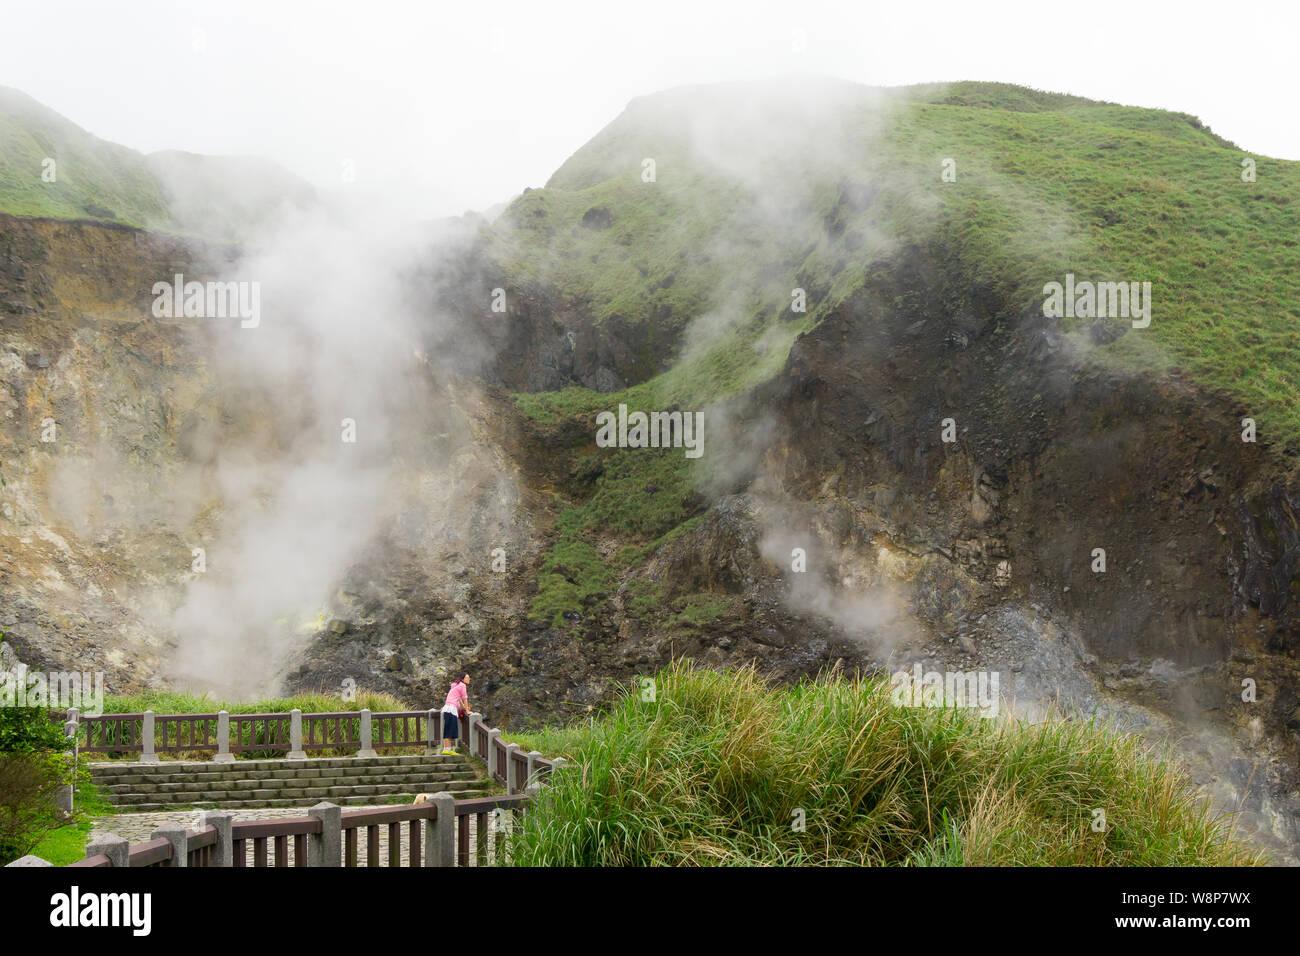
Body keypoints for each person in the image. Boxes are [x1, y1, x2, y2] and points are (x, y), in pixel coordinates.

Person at [440, 673, 470, 755]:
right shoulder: (462, 686)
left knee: (447, 729)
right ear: (463, 679)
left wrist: (463, 707)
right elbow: (464, 699)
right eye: (467, 678)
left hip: (447, 708)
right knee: (450, 729)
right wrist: (467, 710)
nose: (468, 679)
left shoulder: (456, 685)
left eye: (469, 678)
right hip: (451, 709)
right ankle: (448, 750)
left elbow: (459, 698)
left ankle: (446, 749)